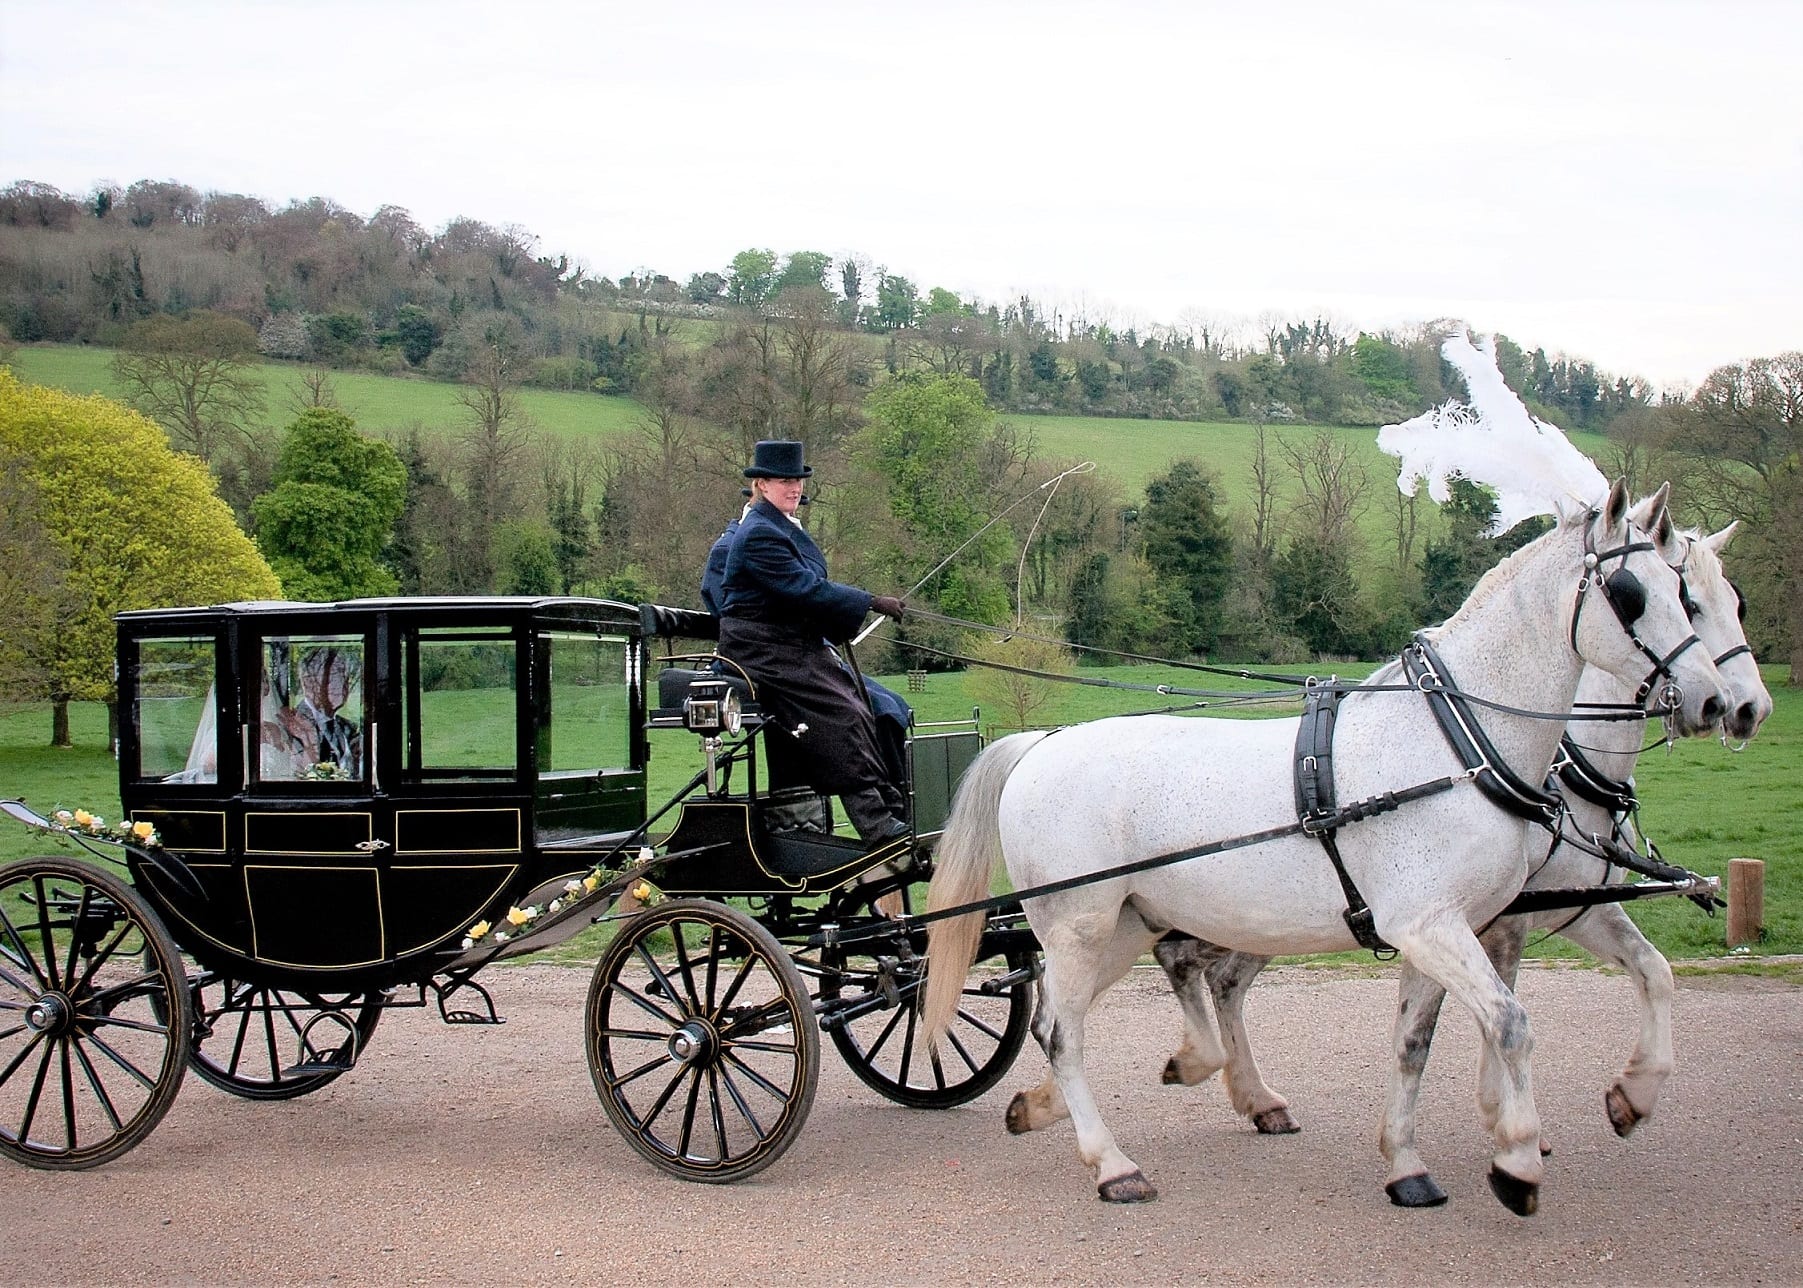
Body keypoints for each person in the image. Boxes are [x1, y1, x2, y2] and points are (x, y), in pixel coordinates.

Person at [716, 440, 909, 848]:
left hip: (790, 642)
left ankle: (890, 803)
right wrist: (870, 601)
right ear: (762, 485)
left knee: (863, 705)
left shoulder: (782, 526)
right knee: (839, 712)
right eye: (785, 481)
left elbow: (808, 590)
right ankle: (874, 823)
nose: (795, 488)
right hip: (760, 649)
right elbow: (805, 588)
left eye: (798, 481)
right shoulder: (758, 535)